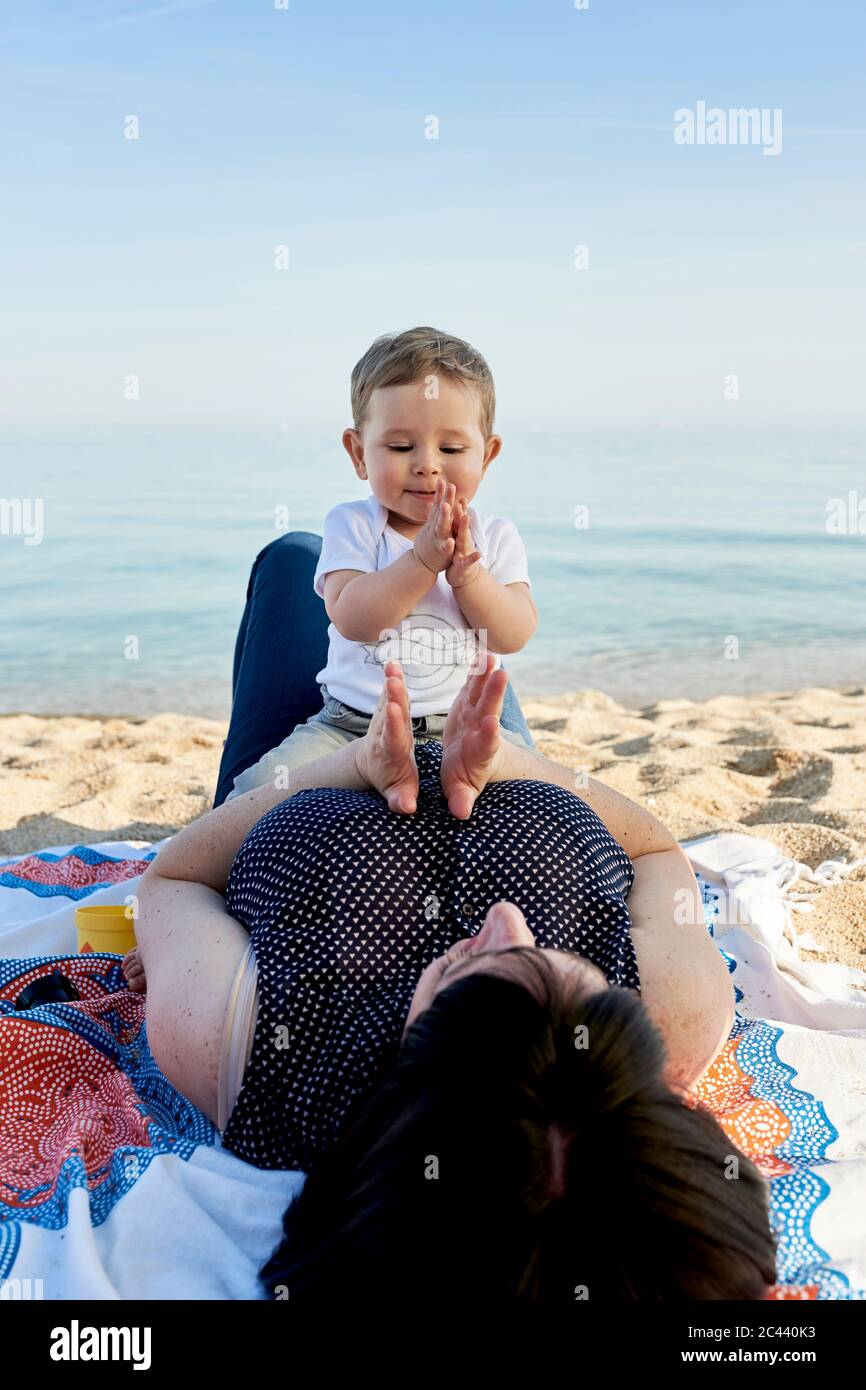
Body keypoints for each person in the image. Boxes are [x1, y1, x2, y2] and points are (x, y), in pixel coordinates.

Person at [130, 531, 776, 1300]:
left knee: (296, 558)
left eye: (470, 971)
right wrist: (511, 764)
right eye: (577, 982)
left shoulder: (245, 1054)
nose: (508, 919)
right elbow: (658, 858)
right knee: (461, 604)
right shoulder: (671, 1015)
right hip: (491, 747)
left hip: (303, 764)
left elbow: (172, 880)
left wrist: (344, 767)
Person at [223, 325, 538, 802]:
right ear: (358, 453)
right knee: (253, 794)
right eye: (399, 447)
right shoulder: (354, 524)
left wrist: (470, 577)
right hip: (351, 727)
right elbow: (352, 618)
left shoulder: (493, 536)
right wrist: (421, 561)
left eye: (451, 449)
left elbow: (513, 633)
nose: (427, 465)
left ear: (487, 455)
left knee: (551, 793)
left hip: (463, 727)